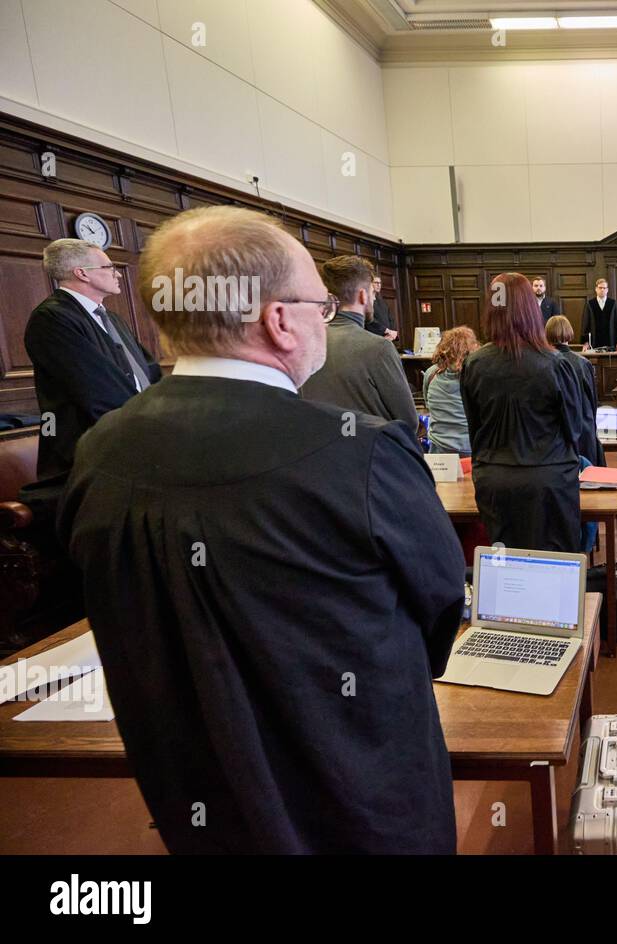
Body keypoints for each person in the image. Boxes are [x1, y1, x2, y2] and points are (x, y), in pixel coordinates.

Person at [56, 205, 465, 853]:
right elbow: (440, 601)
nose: (325, 324)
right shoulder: (360, 450)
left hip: (195, 788)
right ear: (279, 320)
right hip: (355, 782)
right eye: (321, 309)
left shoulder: (101, 448)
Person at [461, 272, 585, 552]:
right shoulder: (555, 363)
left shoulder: (474, 364)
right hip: (548, 478)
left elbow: (474, 427)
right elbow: (574, 428)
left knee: (506, 565)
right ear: (531, 308)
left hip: (495, 478)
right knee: (555, 563)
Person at [24, 238, 161, 477]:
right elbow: (97, 390)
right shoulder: (51, 319)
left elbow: (147, 371)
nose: (117, 274)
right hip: (93, 453)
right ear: (82, 273)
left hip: (137, 436)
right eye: (109, 267)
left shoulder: (112, 318)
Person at [299, 255, 418, 436]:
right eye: (373, 293)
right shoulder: (379, 348)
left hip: (319, 453)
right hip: (372, 455)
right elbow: (409, 421)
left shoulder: (304, 344)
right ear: (363, 295)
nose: (375, 299)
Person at [547, 314, 605, 466]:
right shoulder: (582, 363)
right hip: (583, 428)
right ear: (569, 333)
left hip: (554, 435)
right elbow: (593, 400)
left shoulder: (543, 363)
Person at [422, 326, 479, 456]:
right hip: (471, 449)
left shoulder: (431, 374)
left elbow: (428, 406)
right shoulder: (478, 376)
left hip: (439, 451)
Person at [580, 278, 617, 351]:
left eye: (604, 288)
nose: (602, 290)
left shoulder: (613, 304)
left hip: (611, 343)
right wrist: (586, 342)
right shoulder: (590, 304)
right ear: (596, 289)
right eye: (600, 288)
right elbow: (585, 324)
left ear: (607, 290)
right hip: (594, 344)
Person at [365, 273, 399, 342]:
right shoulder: (366, 301)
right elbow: (370, 320)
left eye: (380, 283)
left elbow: (391, 318)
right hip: (375, 339)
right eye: (376, 283)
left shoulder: (381, 301)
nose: (379, 285)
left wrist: (393, 333)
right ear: (370, 284)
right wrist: (387, 331)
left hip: (389, 338)